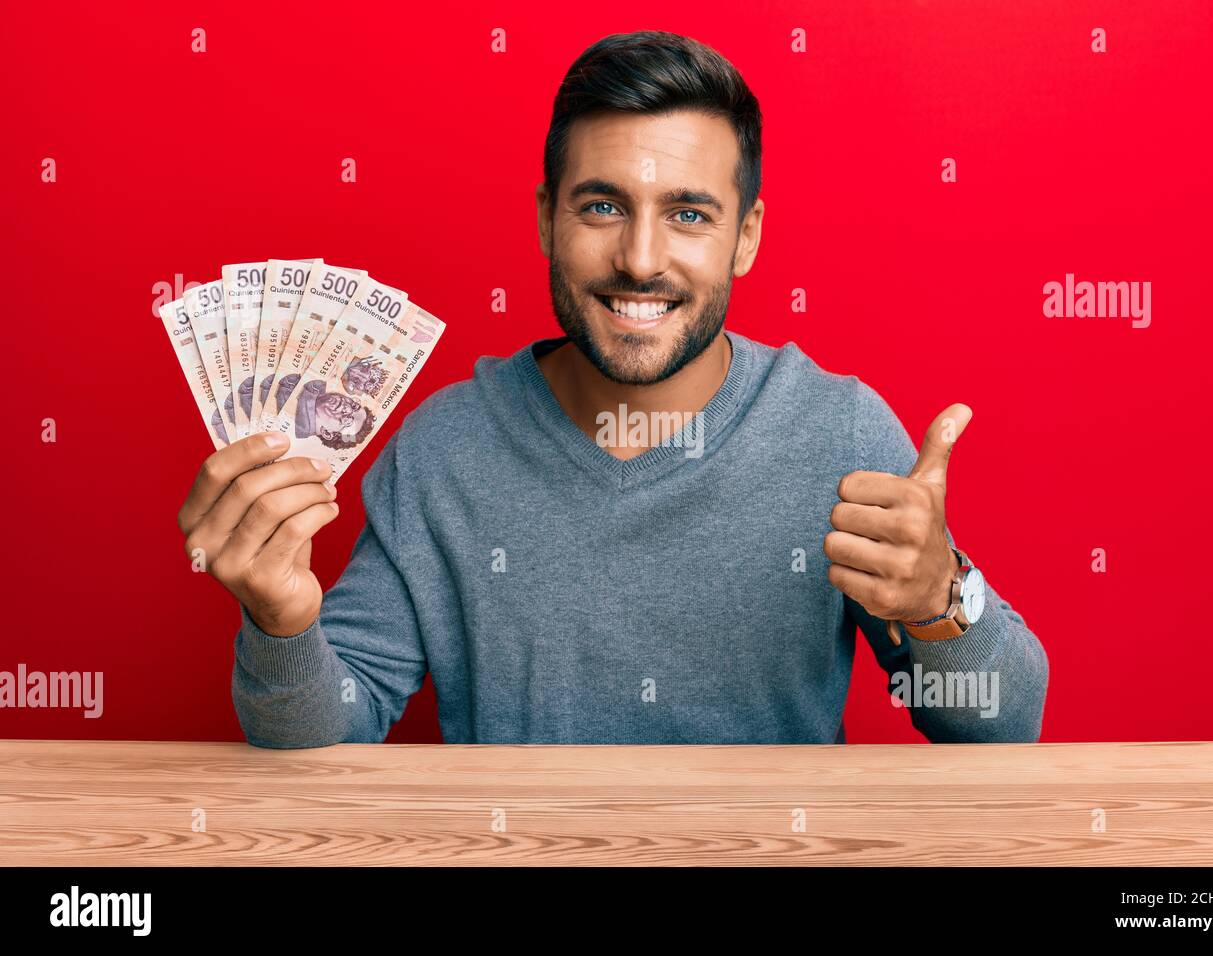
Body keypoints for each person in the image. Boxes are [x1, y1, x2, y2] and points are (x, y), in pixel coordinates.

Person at [177, 31, 1048, 748]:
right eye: (601, 207)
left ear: (745, 239)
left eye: (688, 214)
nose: (638, 257)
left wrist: (943, 600)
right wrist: (284, 623)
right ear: (545, 219)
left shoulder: (837, 435)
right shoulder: (444, 453)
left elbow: (1003, 727)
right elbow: (327, 734)